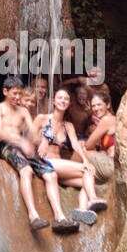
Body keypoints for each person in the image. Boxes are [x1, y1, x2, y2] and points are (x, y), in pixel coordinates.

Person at [0, 78, 79, 234]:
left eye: (19, 94)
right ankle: (33, 216)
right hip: (7, 146)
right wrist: (21, 141)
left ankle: (60, 217)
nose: (17, 98)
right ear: (5, 92)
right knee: (26, 171)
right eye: (14, 94)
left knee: (50, 173)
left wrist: (43, 141)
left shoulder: (23, 111)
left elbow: (33, 134)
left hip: (24, 146)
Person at [31, 87, 108, 224]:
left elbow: (76, 145)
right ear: (54, 101)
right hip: (45, 162)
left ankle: (82, 211)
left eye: (66, 99)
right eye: (60, 98)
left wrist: (85, 160)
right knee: (86, 172)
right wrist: (42, 140)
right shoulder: (42, 119)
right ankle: (93, 199)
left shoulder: (68, 125)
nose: (63, 101)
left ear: (69, 103)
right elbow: (29, 139)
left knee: (88, 176)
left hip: (60, 166)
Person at [83, 89, 116, 184]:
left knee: (81, 149)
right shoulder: (113, 119)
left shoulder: (106, 120)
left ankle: (66, 171)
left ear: (108, 105)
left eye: (99, 104)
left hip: (111, 166)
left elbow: (88, 146)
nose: (96, 108)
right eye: (93, 106)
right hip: (112, 164)